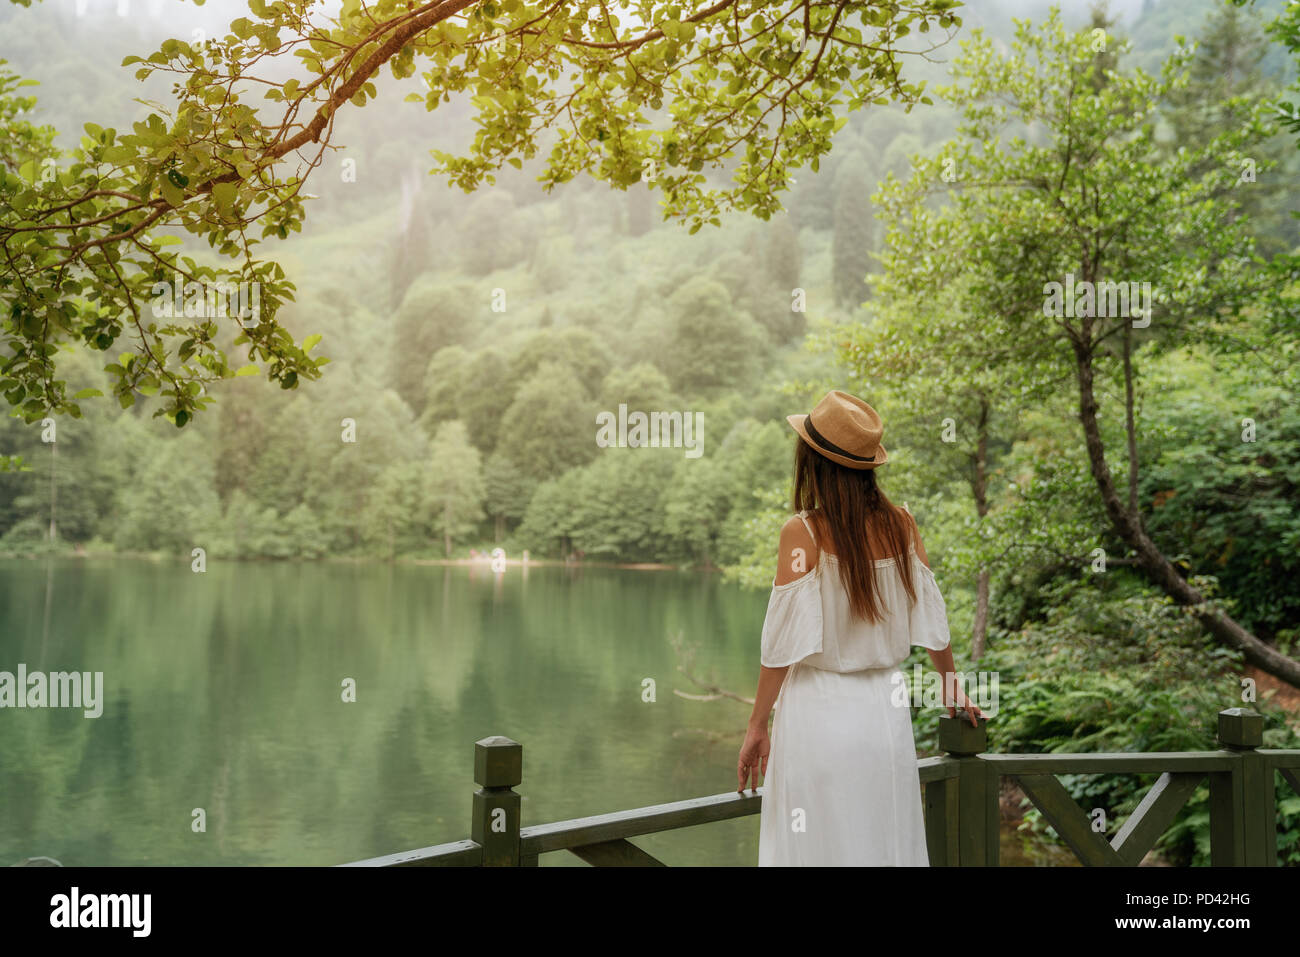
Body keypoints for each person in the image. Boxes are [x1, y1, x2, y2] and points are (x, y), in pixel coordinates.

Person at [737, 390, 984, 866]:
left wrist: (756, 723)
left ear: (813, 463)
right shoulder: (903, 526)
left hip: (819, 713)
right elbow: (934, 623)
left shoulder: (802, 533)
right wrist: (951, 687)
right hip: (884, 716)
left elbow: (780, 650)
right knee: (881, 841)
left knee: (818, 847)